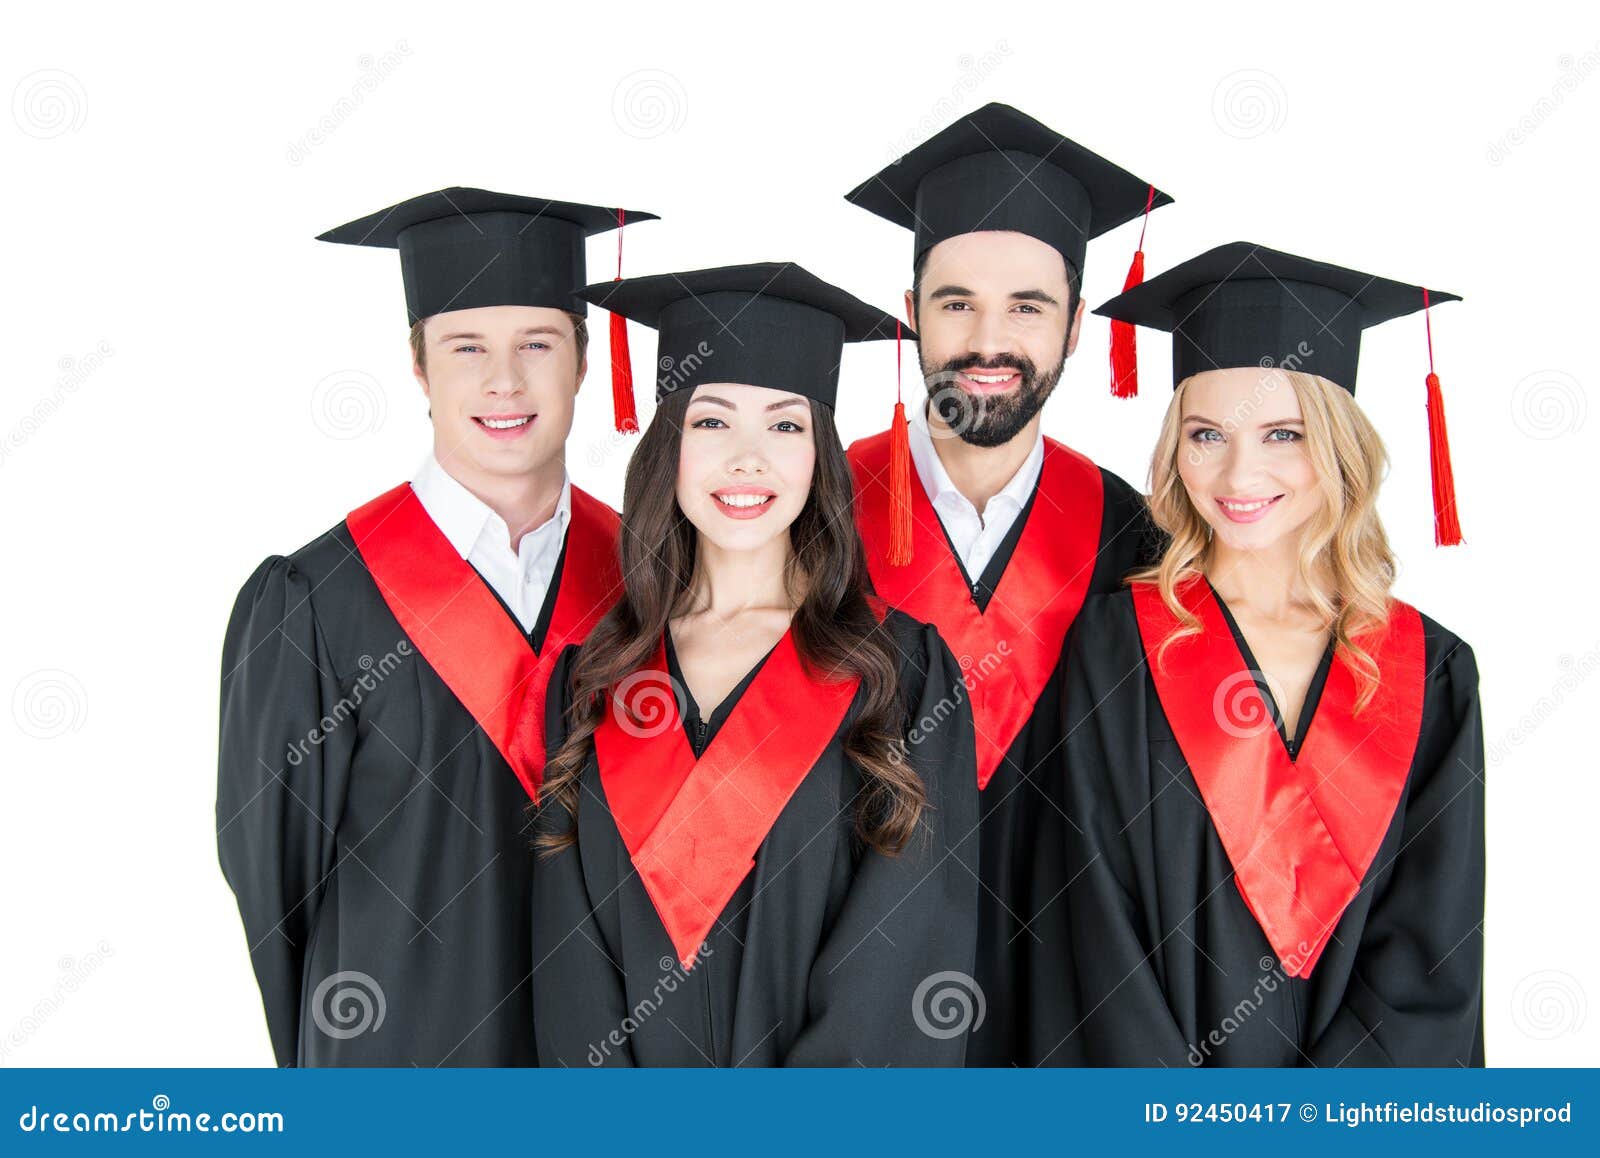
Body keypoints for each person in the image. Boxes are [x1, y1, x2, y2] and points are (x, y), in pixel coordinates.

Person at [216, 187, 655, 1066]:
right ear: (419, 369)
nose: (505, 381)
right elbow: (276, 890)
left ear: (582, 363)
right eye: (467, 349)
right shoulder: (317, 599)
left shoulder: (648, 582)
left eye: (538, 343)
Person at [1026, 242, 1484, 1066]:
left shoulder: (1432, 667)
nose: (1240, 472)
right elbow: (1086, 916)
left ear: (1339, 448)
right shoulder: (1116, 645)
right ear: (1175, 451)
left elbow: (1433, 945)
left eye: (1283, 433)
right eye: (1207, 434)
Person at [531, 263, 980, 1067]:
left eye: (784, 426)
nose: (748, 460)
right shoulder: (594, 677)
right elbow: (569, 969)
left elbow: (905, 954)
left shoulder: (901, 674)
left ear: (820, 457)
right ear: (669, 447)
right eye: (711, 424)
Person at [841, 102, 1172, 1063]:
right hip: (854, 1016)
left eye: (1027, 306)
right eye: (955, 303)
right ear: (910, 316)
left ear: (1076, 324)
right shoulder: (813, 516)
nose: (989, 343)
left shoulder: (1140, 537)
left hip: (1078, 1013)